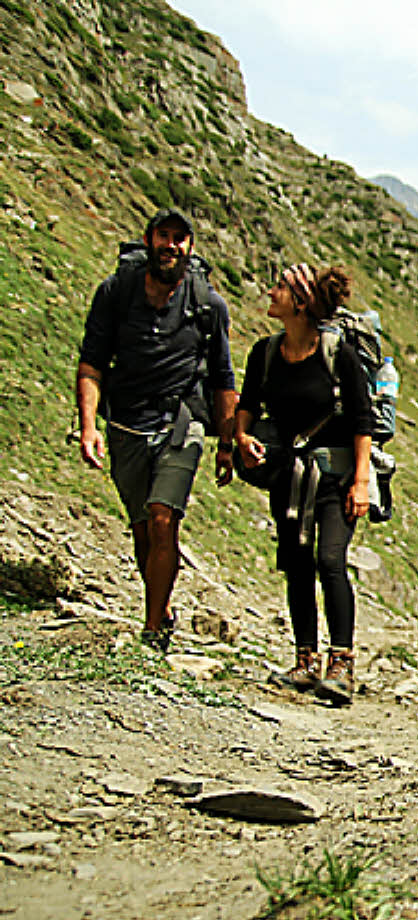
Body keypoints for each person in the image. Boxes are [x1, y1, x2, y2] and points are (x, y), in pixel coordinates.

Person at [77, 208, 237, 650]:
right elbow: (92, 362)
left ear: (190, 247)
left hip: (181, 421)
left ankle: (152, 633)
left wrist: (226, 444)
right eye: (163, 236)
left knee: (165, 519)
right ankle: (160, 603)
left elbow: (224, 378)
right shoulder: (115, 292)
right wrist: (88, 426)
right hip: (126, 421)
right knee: (144, 527)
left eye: (180, 238)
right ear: (148, 241)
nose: (171, 245)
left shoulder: (208, 305)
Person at [235, 264, 371, 706]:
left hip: (336, 476)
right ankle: (306, 661)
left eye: (279, 287)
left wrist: (362, 481)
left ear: (300, 302)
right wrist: (240, 437)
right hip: (290, 477)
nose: (269, 293)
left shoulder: (339, 355)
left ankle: (342, 663)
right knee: (296, 561)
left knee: (330, 559)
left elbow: (361, 420)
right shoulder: (266, 353)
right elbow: (249, 405)